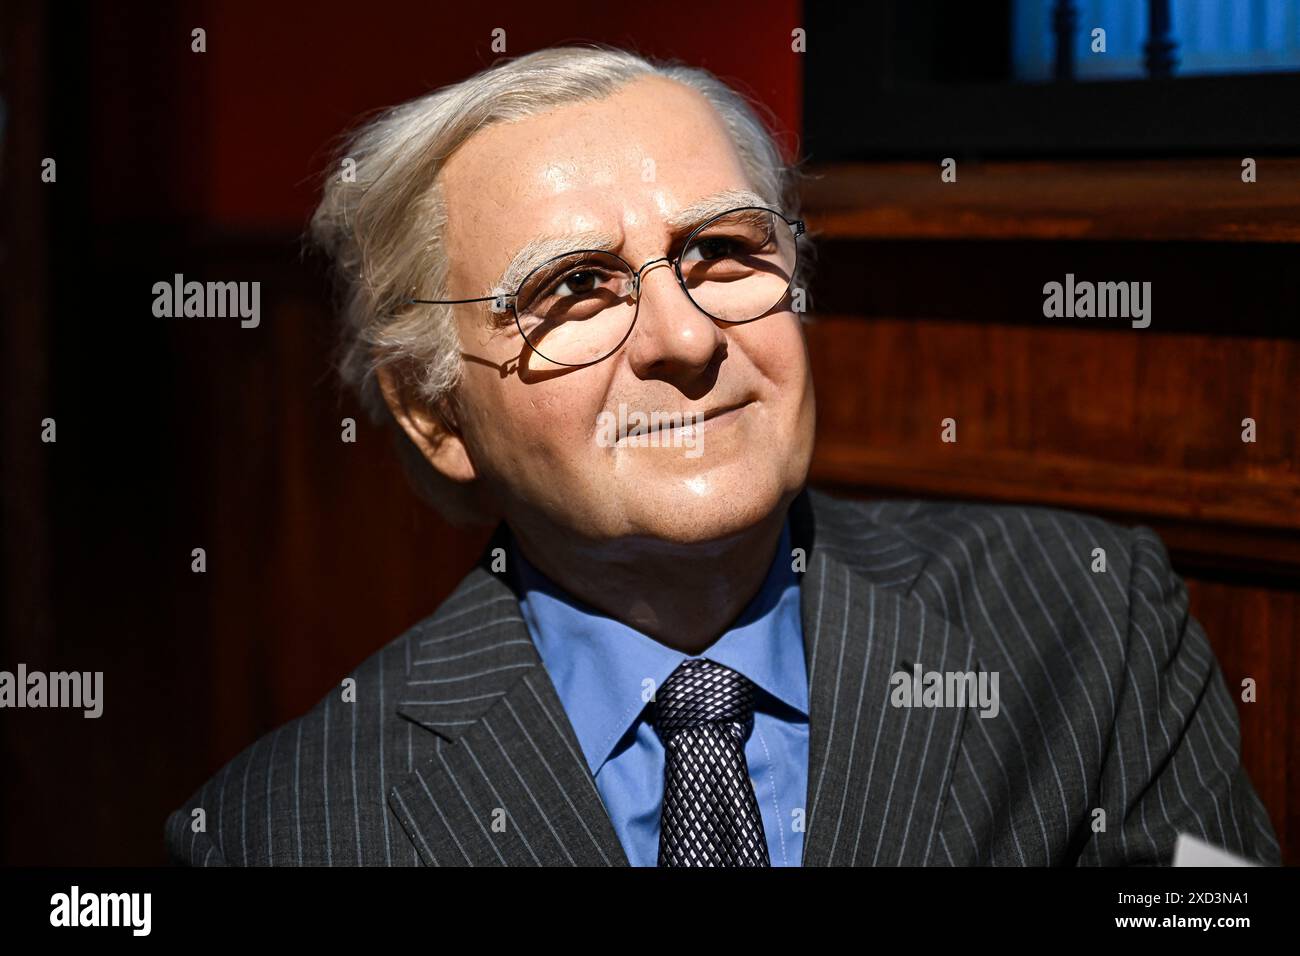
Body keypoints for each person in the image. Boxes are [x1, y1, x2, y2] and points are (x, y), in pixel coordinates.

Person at [164, 44, 1280, 867]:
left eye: (722, 250)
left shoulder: (1089, 625)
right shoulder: (288, 830)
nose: (688, 338)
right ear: (431, 413)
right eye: (574, 288)